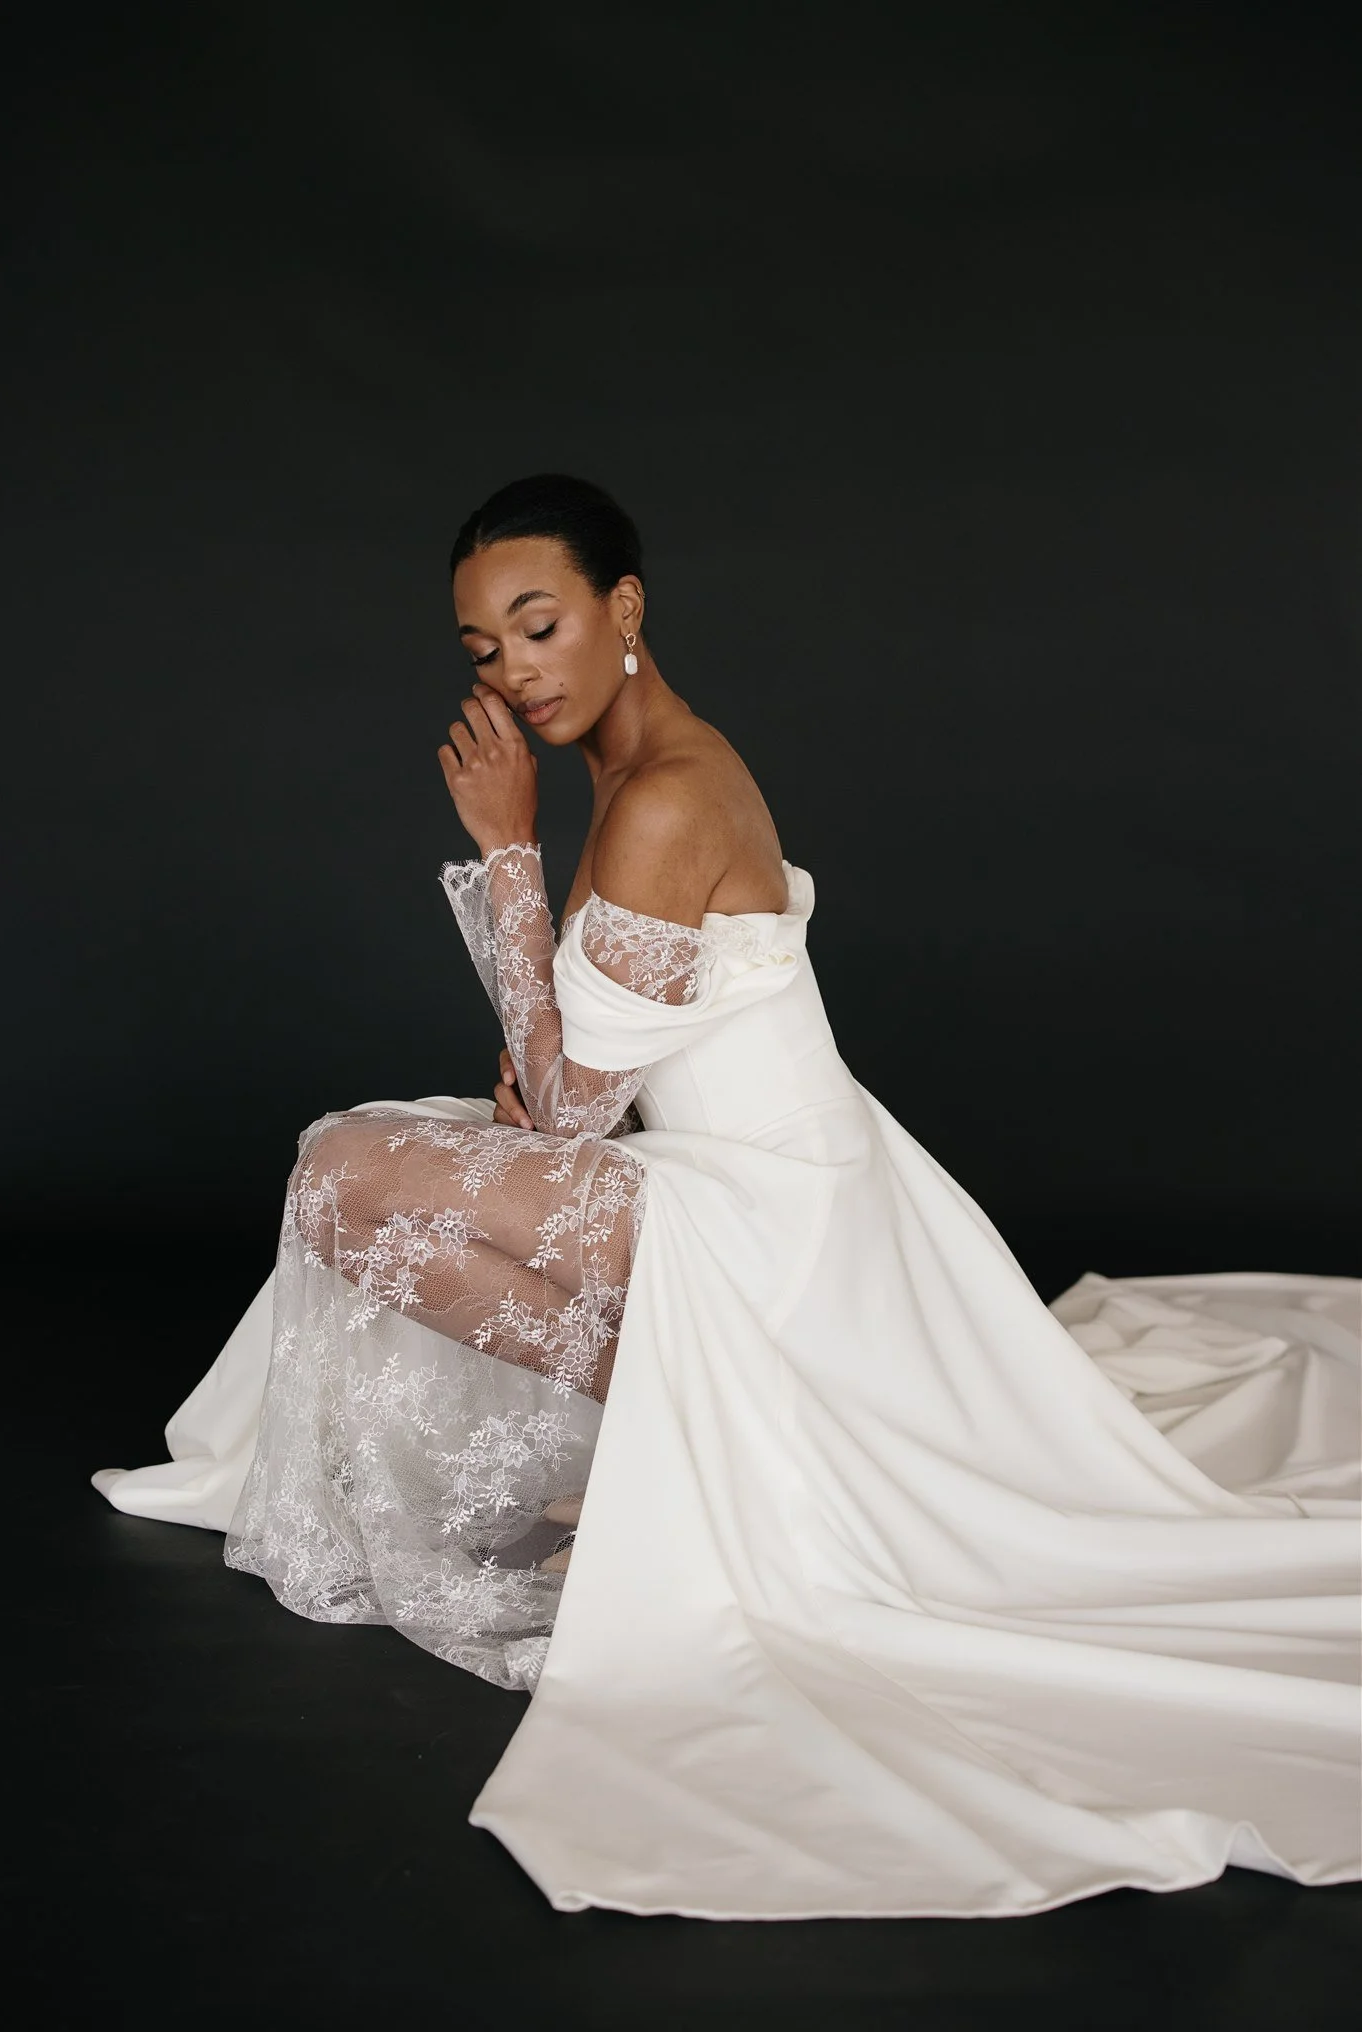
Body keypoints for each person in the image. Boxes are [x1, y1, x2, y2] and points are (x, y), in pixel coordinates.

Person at [94, 475, 1360, 1920]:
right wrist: (544, 1070)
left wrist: (503, 849)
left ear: (623, 607)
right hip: (717, 1178)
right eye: (483, 649)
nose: (513, 673)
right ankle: (704, 1428)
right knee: (361, 1193)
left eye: (540, 626)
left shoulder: (666, 795)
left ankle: (725, 1426)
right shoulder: (633, 772)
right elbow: (577, 1082)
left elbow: (571, 1105)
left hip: (770, 1209)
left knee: (342, 1167)